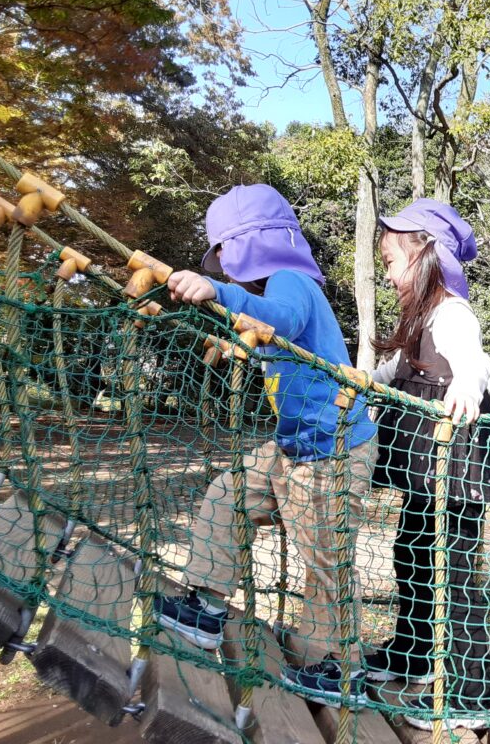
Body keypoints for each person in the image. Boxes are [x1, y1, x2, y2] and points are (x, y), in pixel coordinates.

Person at [155, 184, 378, 707]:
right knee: (230, 491)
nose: (227, 269)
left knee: (325, 558)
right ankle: (206, 608)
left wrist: (219, 293)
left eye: (227, 256)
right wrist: (234, 340)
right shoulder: (272, 289)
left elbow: (284, 318)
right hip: (294, 444)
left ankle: (339, 669)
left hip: (334, 450)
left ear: (252, 244)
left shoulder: (291, 281)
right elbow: (271, 334)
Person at [366, 199, 490, 731]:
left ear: (425, 254)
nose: (387, 273)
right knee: (412, 550)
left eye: (390, 260)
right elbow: (391, 369)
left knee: (455, 569)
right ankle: (414, 653)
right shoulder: (418, 319)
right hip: (426, 462)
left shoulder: (451, 311)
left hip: (458, 454)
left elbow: (471, 360)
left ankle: (472, 690)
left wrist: (469, 386)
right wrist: (358, 381)